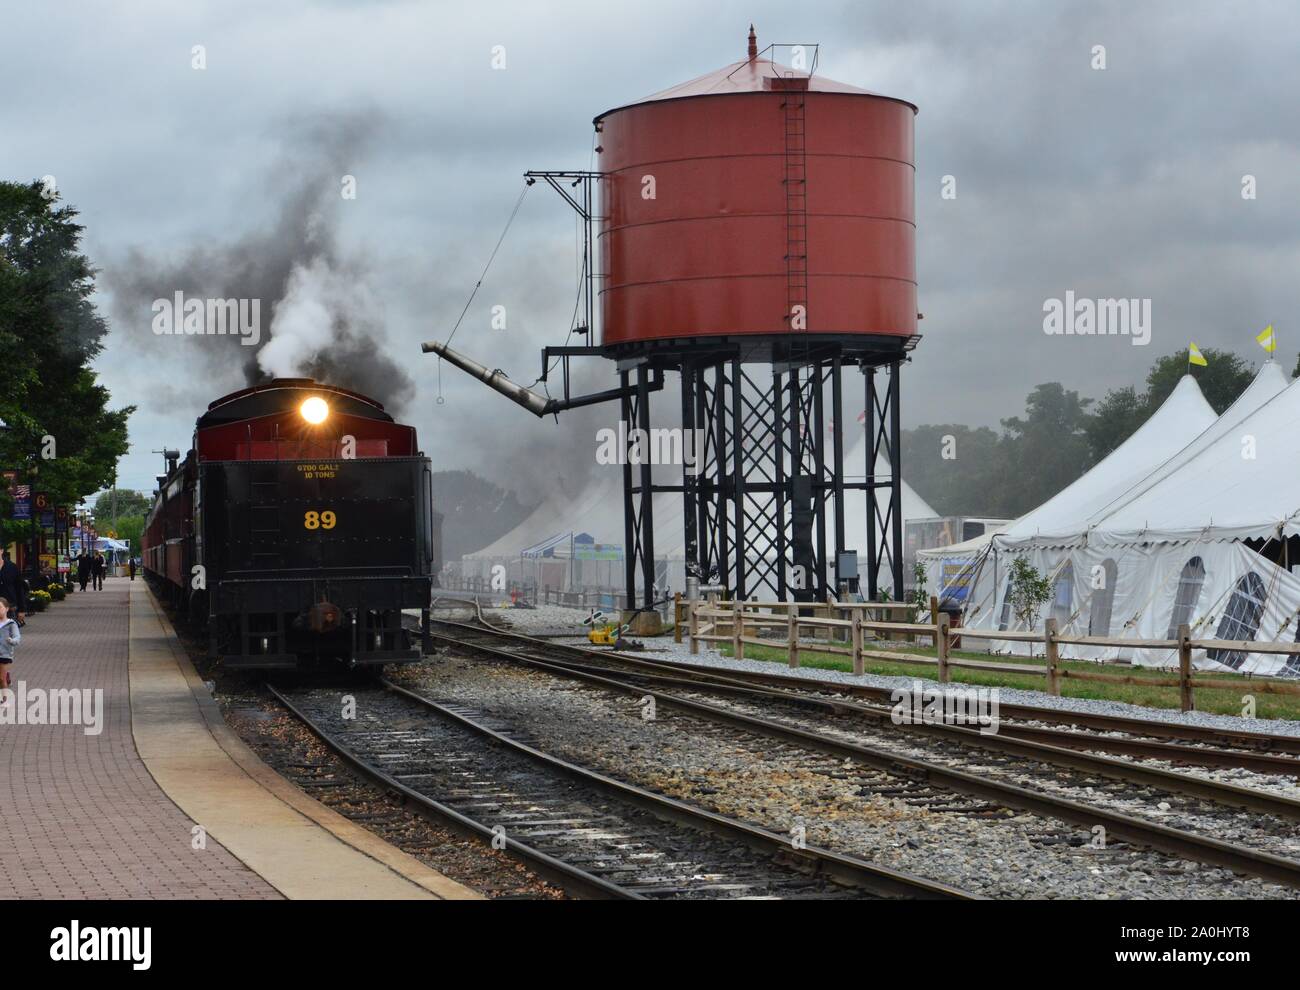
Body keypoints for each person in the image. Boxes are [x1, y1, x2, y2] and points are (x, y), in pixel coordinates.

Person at [0, 551, 25, 626]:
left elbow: (19, 588)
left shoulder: (12, 567)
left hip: (10, 607)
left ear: (1, 550)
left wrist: (22, 609)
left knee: (9, 635)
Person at [0, 596, 20, 690]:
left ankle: (5, 700)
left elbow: (17, 638)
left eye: (0, 607)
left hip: (5, 654)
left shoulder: (11, 624)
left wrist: (12, 641)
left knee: (1, 679)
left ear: (7, 609)